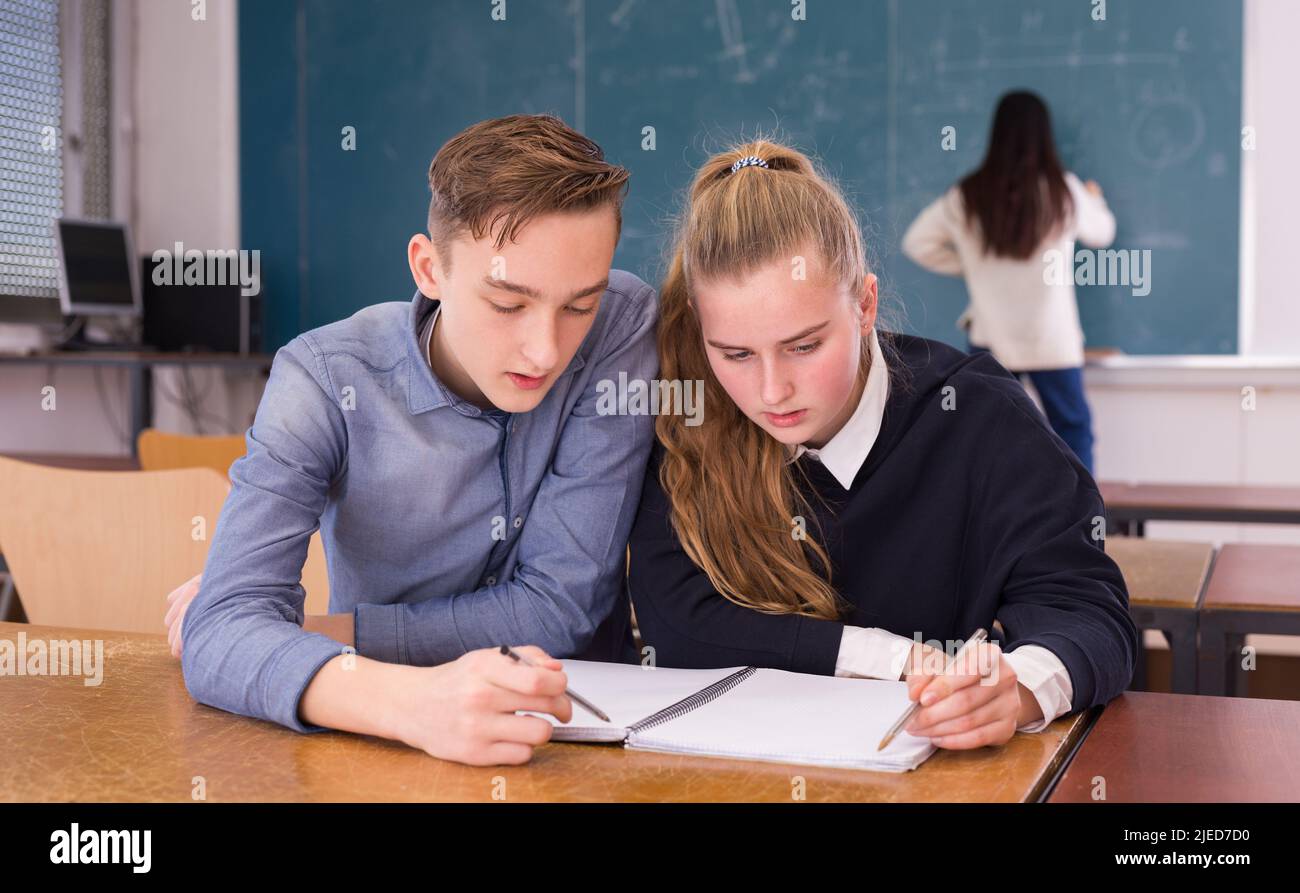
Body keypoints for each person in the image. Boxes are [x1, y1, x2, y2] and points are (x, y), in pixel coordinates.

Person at [169, 114, 657, 766]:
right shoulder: (322, 378)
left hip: (588, 745)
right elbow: (221, 630)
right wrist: (410, 702)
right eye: (508, 304)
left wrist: (322, 635)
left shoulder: (622, 323)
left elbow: (557, 606)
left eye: (577, 305)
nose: (546, 351)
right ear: (429, 268)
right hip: (374, 747)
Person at [628, 139, 1137, 750]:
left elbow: (1089, 611)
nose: (771, 391)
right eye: (735, 354)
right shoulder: (687, 424)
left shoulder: (978, 414)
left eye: (804, 345)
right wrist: (896, 660)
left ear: (865, 304)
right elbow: (682, 628)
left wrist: (1018, 687)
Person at [902, 90, 1116, 473]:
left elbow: (916, 242)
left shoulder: (968, 195)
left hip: (991, 340)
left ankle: (991, 525)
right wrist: (1094, 200)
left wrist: (971, 265)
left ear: (996, 133)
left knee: (984, 436)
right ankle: (1081, 524)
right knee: (1072, 429)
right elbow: (1102, 233)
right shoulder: (1063, 191)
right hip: (1052, 340)